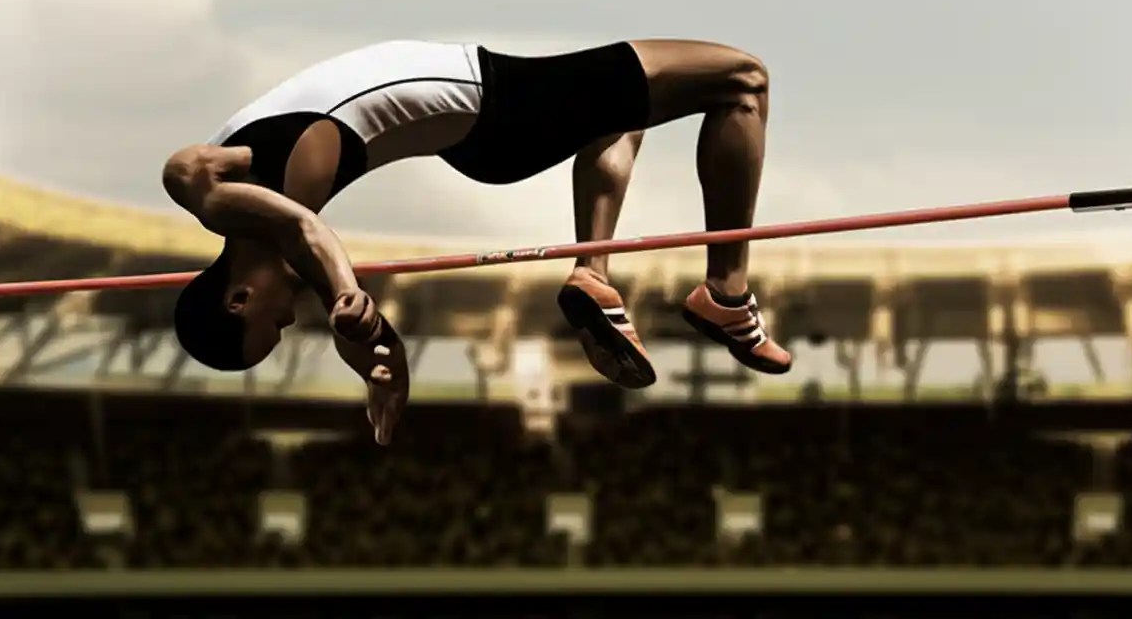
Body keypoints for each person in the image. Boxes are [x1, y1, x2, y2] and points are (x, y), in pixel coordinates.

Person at [162, 39, 793, 444]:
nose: (289, 318)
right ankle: (725, 293)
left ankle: (595, 273)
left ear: (238, 300)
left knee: (628, 110)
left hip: (490, 107)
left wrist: (351, 307)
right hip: (495, 112)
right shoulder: (294, 250)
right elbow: (330, 274)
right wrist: (383, 365)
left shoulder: (222, 206)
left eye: (273, 325)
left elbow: (305, 232)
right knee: (743, 79)